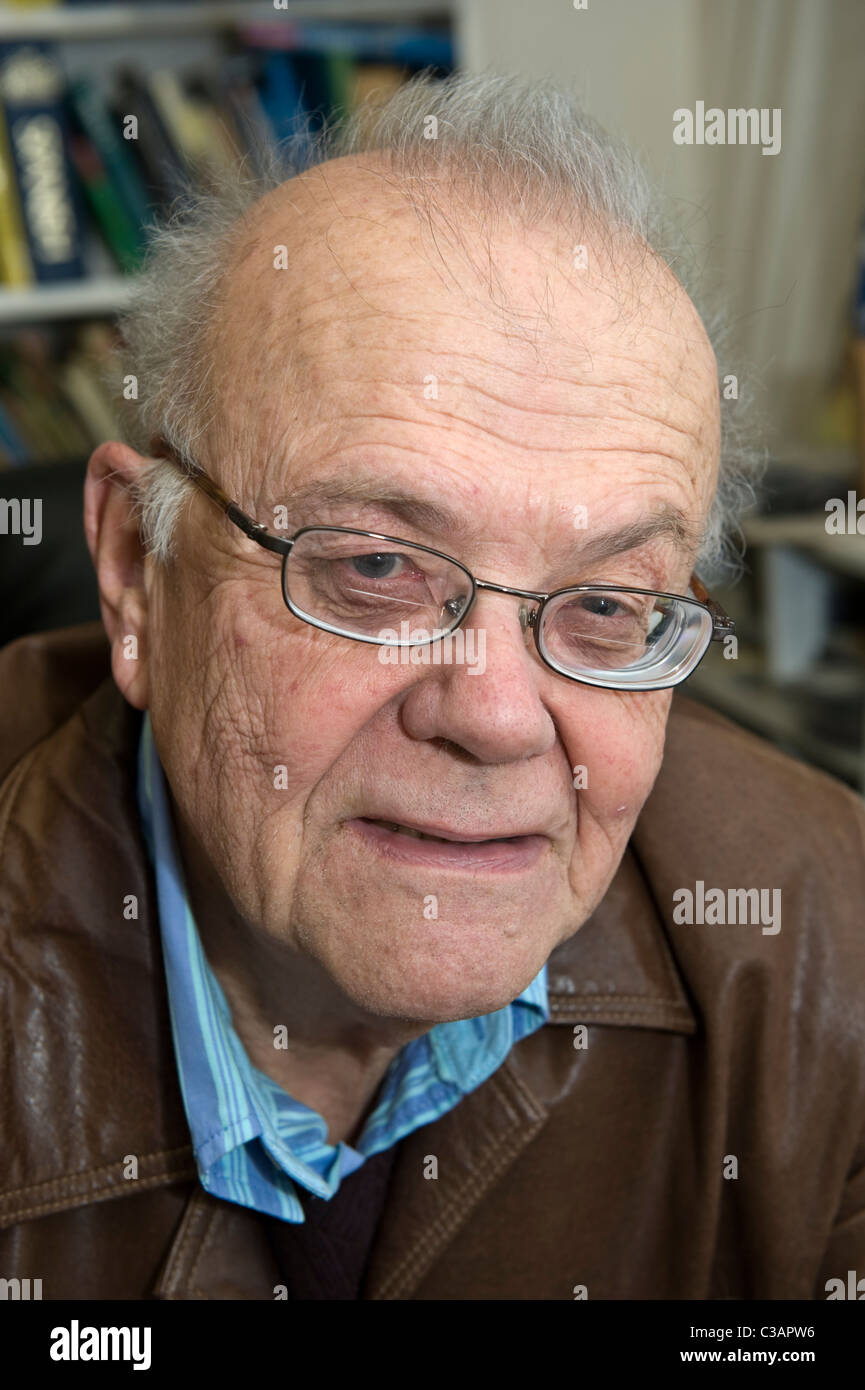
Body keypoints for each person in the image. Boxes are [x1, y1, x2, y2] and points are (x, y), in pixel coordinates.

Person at [1, 72, 863, 1301]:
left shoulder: (835, 949)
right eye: (376, 566)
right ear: (141, 572)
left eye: (609, 603)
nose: (499, 717)